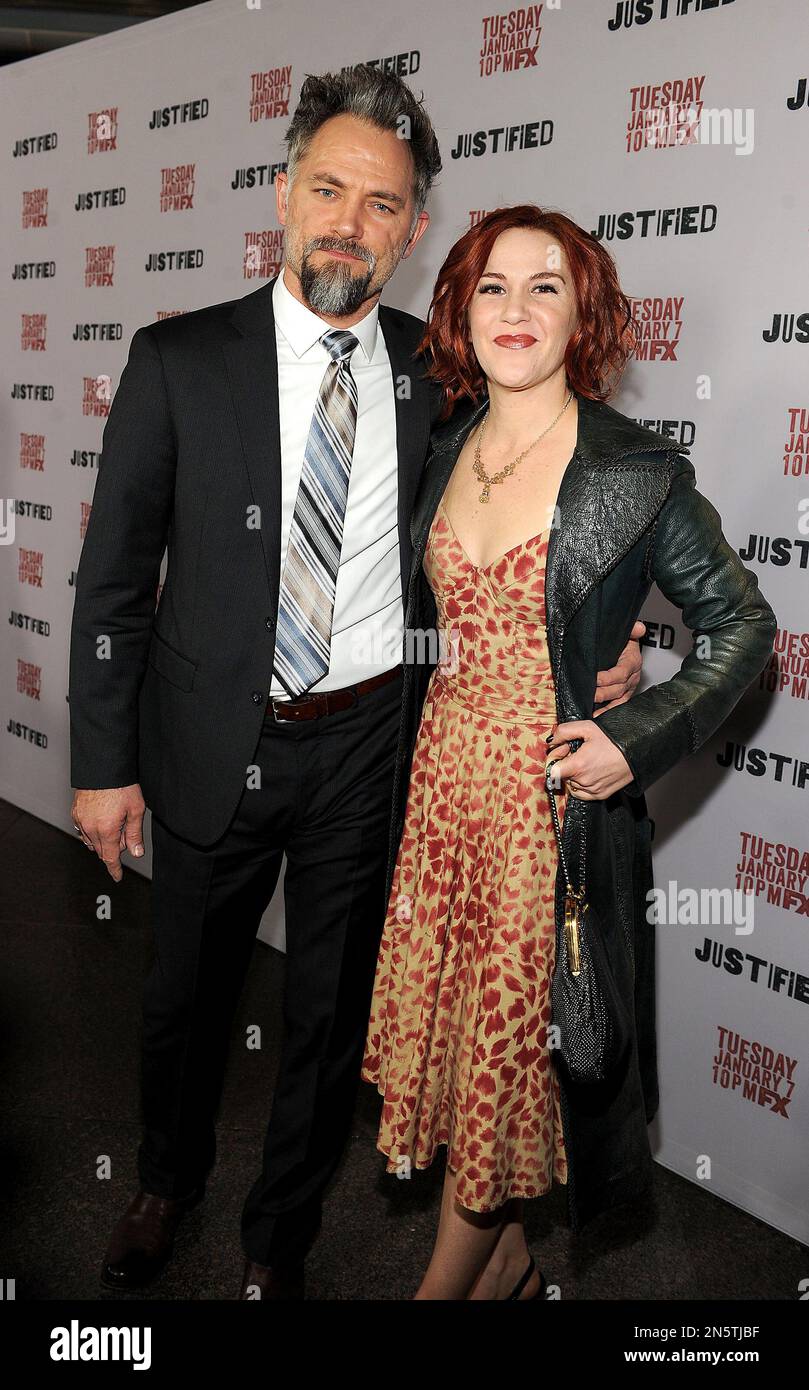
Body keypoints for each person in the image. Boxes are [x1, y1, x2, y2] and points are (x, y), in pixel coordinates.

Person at [68, 69, 647, 1301]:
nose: (347, 220)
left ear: (413, 228)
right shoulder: (178, 359)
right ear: (281, 194)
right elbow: (114, 582)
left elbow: (526, 510)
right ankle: (163, 1181)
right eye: (325, 189)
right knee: (185, 998)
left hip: (368, 751)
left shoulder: (435, 374)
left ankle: (278, 1238)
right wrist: (102, 764)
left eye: (380, 204)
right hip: (206, 740)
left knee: (329, 1020)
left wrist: (599, 643)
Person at [361, 204, 778, 1300]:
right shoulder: (443, 446)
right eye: (491, 285)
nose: (515, 308)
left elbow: (744, 631)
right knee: (459, 1059)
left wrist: (628, 741)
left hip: (546, 816)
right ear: (459, 307)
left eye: (546, 285)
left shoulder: (632, 472)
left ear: (581, 311)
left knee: (504, 1061)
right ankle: (504, 1258)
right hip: (443, 796)